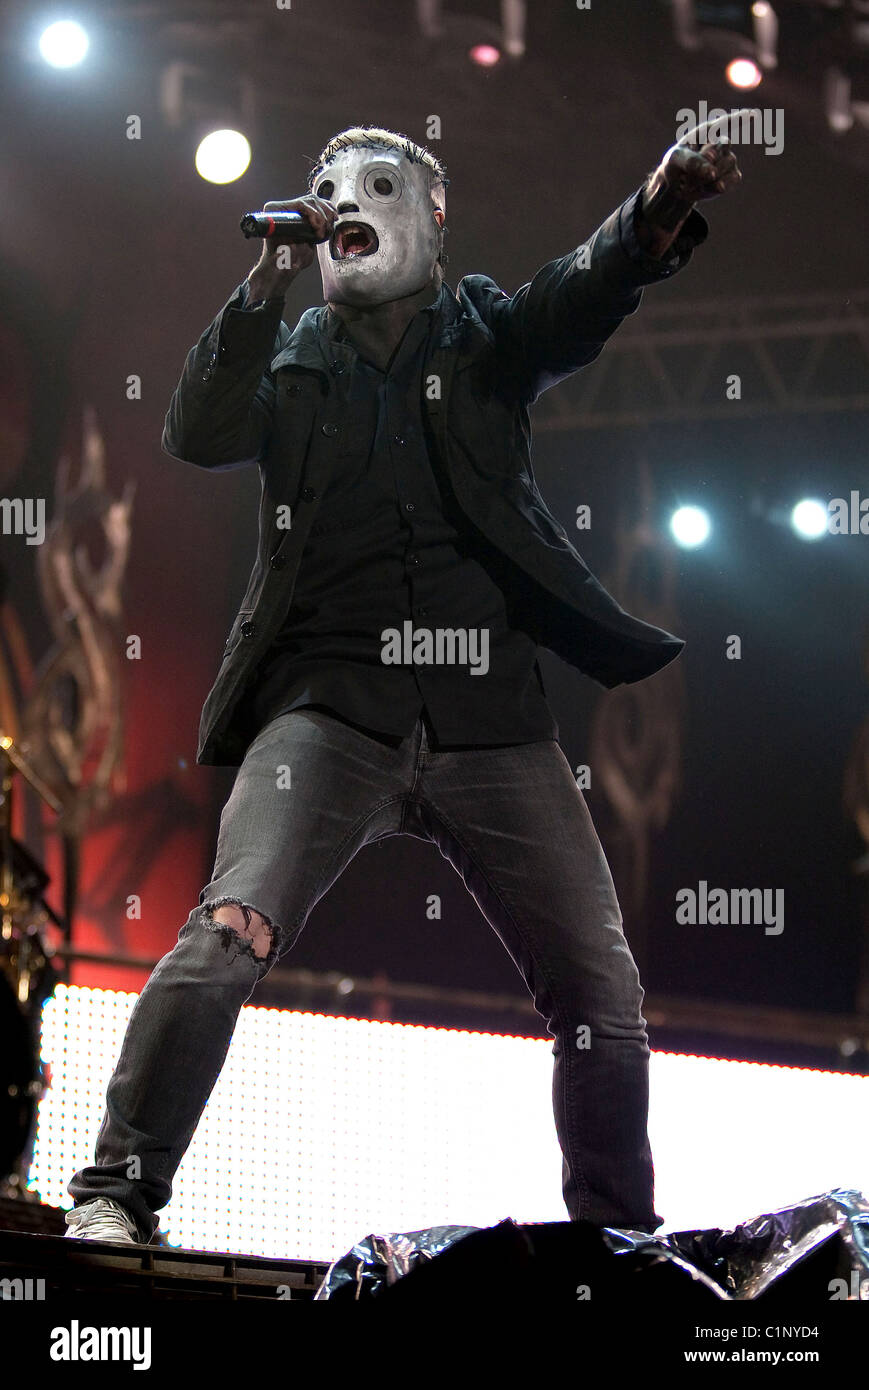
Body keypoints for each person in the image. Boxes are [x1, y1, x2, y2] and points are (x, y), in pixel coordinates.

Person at [66, 124, 740, 1246]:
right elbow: (195, 428)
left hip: (492, 727)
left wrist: (660, 197)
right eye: (329, 192)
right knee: (225, 932)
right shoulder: (290, 362)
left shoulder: (483, 336)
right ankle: (114, 1195)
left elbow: (585, 289)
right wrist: (266, 272)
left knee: (602, 994)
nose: (347, 206)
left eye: (380, 188)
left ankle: (616, 1240)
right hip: (327, 715)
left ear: (433, 217)